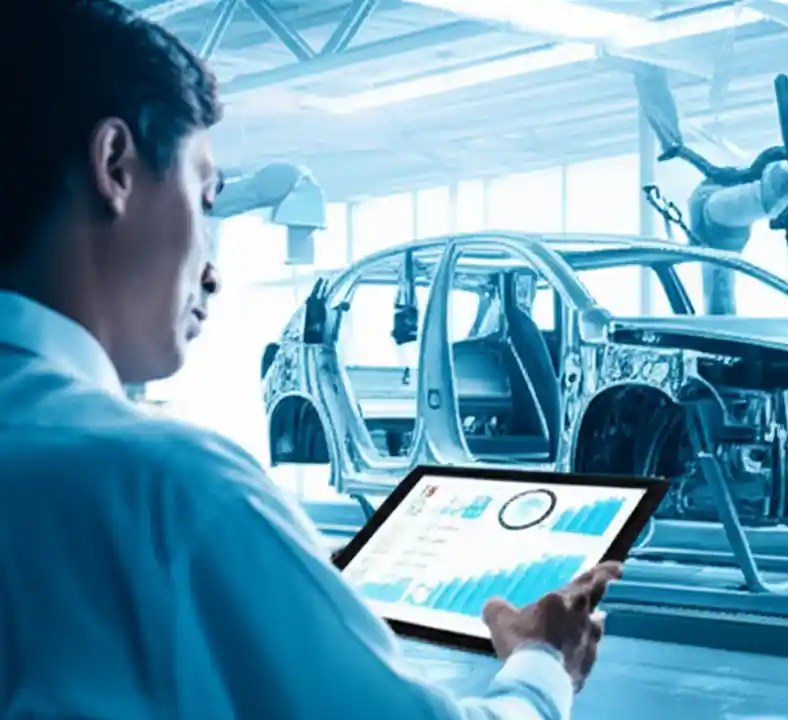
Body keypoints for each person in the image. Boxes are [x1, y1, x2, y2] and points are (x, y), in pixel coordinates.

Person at [0, 2, 620, 718]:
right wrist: (544, 667)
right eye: (206, 197)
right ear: (115, 166)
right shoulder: (172, 491)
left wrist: (274, 582)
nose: (212, 272)